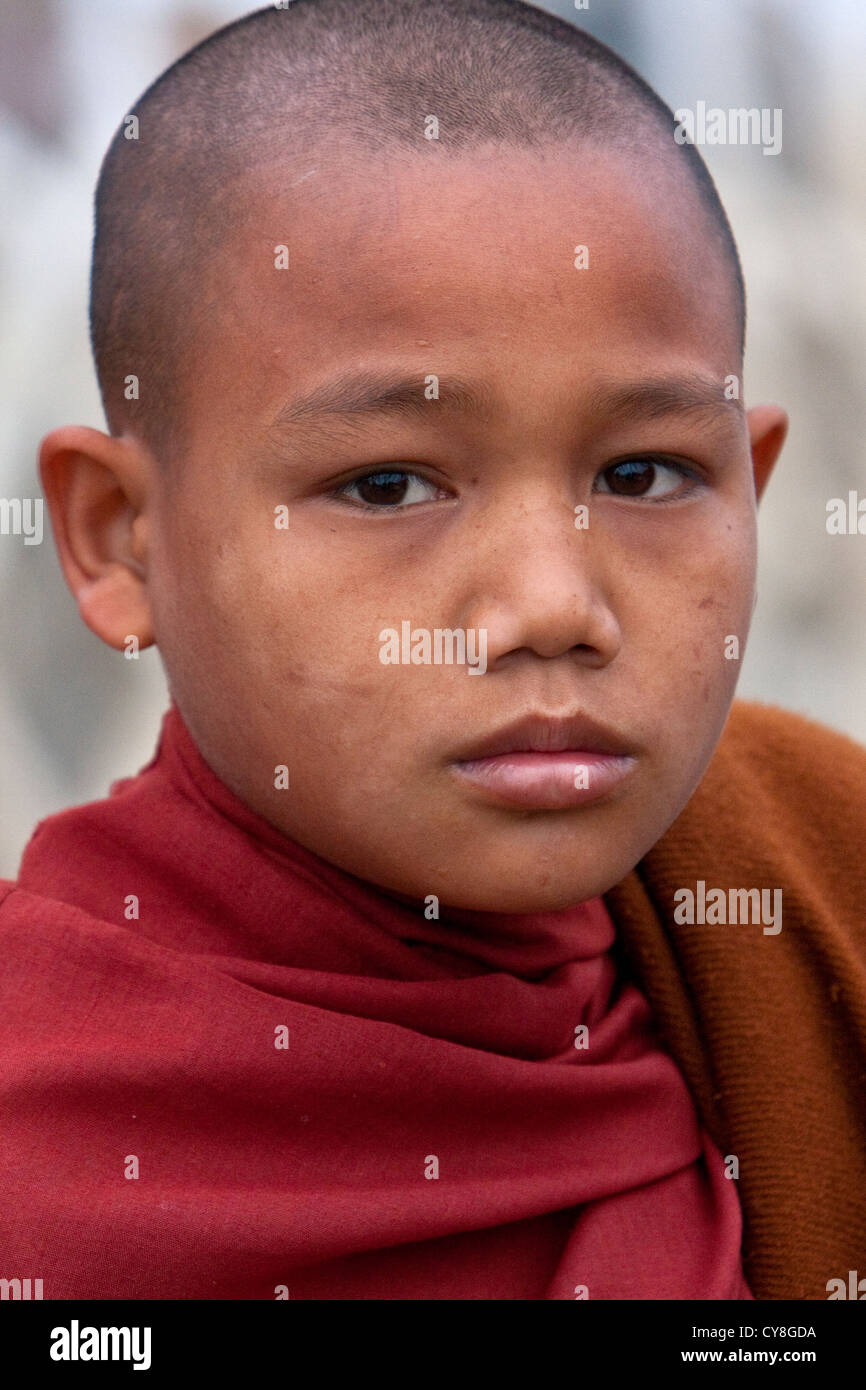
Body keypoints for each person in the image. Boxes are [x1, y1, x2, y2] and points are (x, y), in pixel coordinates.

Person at [2, 0, 864, 1301]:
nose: (551, 605)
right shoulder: (44, 1118)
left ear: (751, 486)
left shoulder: (814, 891)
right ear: (122, 543)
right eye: (389, 488)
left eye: (643, 472)